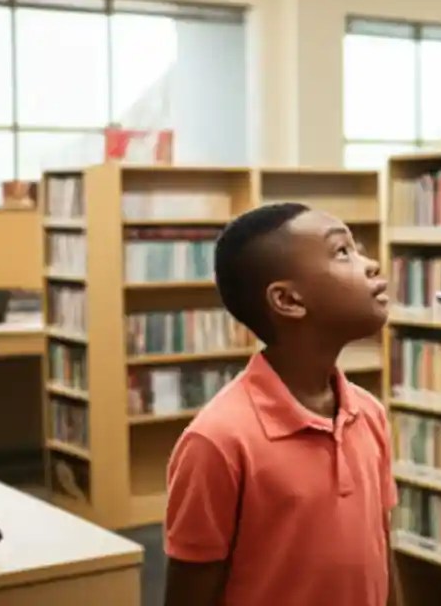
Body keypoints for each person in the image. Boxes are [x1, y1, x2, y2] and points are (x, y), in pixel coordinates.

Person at [162, 202, 400, 606]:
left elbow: (380, 550)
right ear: (288, 300)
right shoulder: (218, 441)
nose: (371, 264)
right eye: (343, 252)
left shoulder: (368, 413)